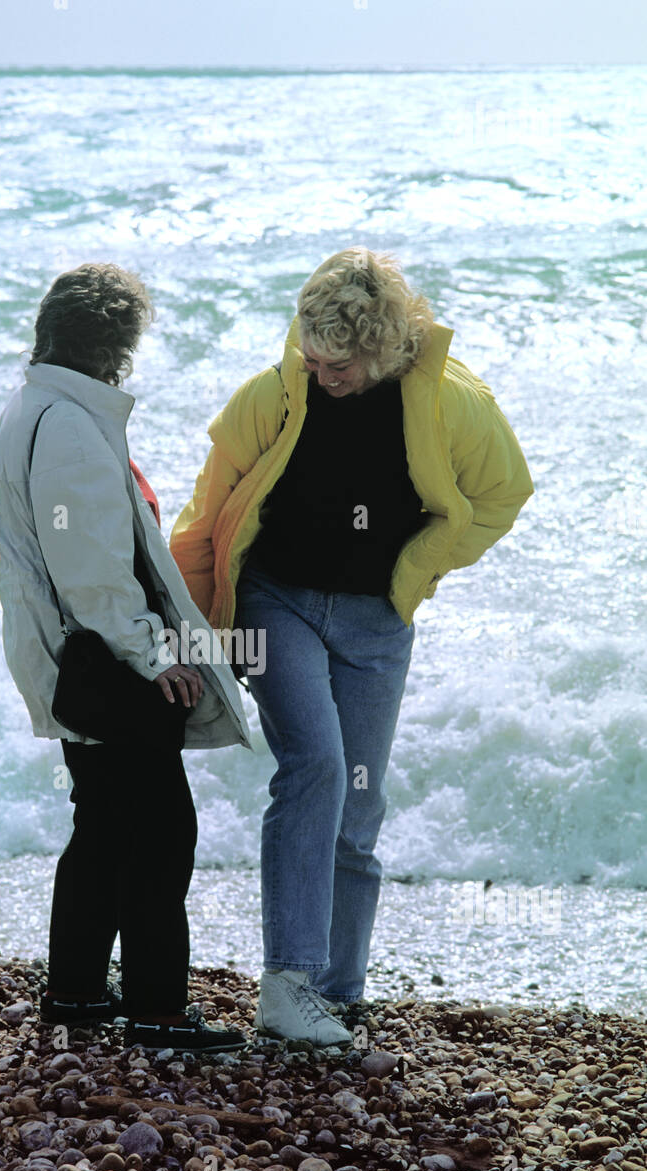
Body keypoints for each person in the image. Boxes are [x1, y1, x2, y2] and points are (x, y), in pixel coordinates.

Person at [170, 247, 534, 1046]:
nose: (323, 376)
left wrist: (417, 567)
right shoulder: (270, 398)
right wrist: (189, 634)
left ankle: (337, 992)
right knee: (318, 767)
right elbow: (204, 518)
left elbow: (505, 492)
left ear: (384, 351)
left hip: (378, 620)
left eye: (340, 366)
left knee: (360, 797)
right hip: (275, 603)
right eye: (311, 359)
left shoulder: (449, 404)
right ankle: (287, 984)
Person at [0, 263, 251, 1052]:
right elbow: (92, 564)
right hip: (104, 663)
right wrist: (150, 656)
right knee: (161, 828)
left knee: (101, 821)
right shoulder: (67, 424)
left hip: (67, 658)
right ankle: (160, 1008)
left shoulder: (29, 408)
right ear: (117, 345)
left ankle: (73, 992)